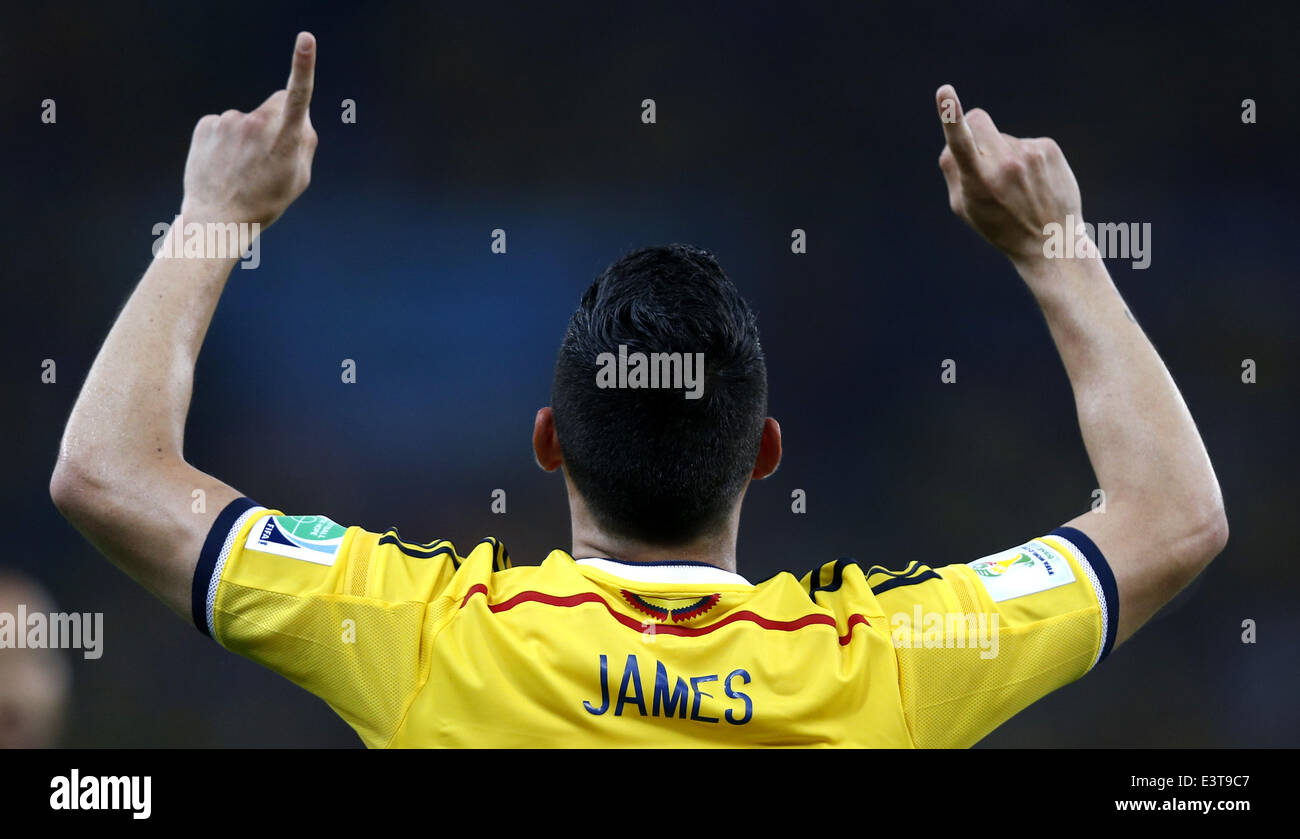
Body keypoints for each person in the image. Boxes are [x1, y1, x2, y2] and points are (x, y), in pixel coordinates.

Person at [49, 33, 1227, 747]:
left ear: (548, 440)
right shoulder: (895, 661)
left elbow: (106, 473)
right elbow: (1173, 514)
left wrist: (214, 218)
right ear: (766, 450)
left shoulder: (423, 637)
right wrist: (1054, 247)